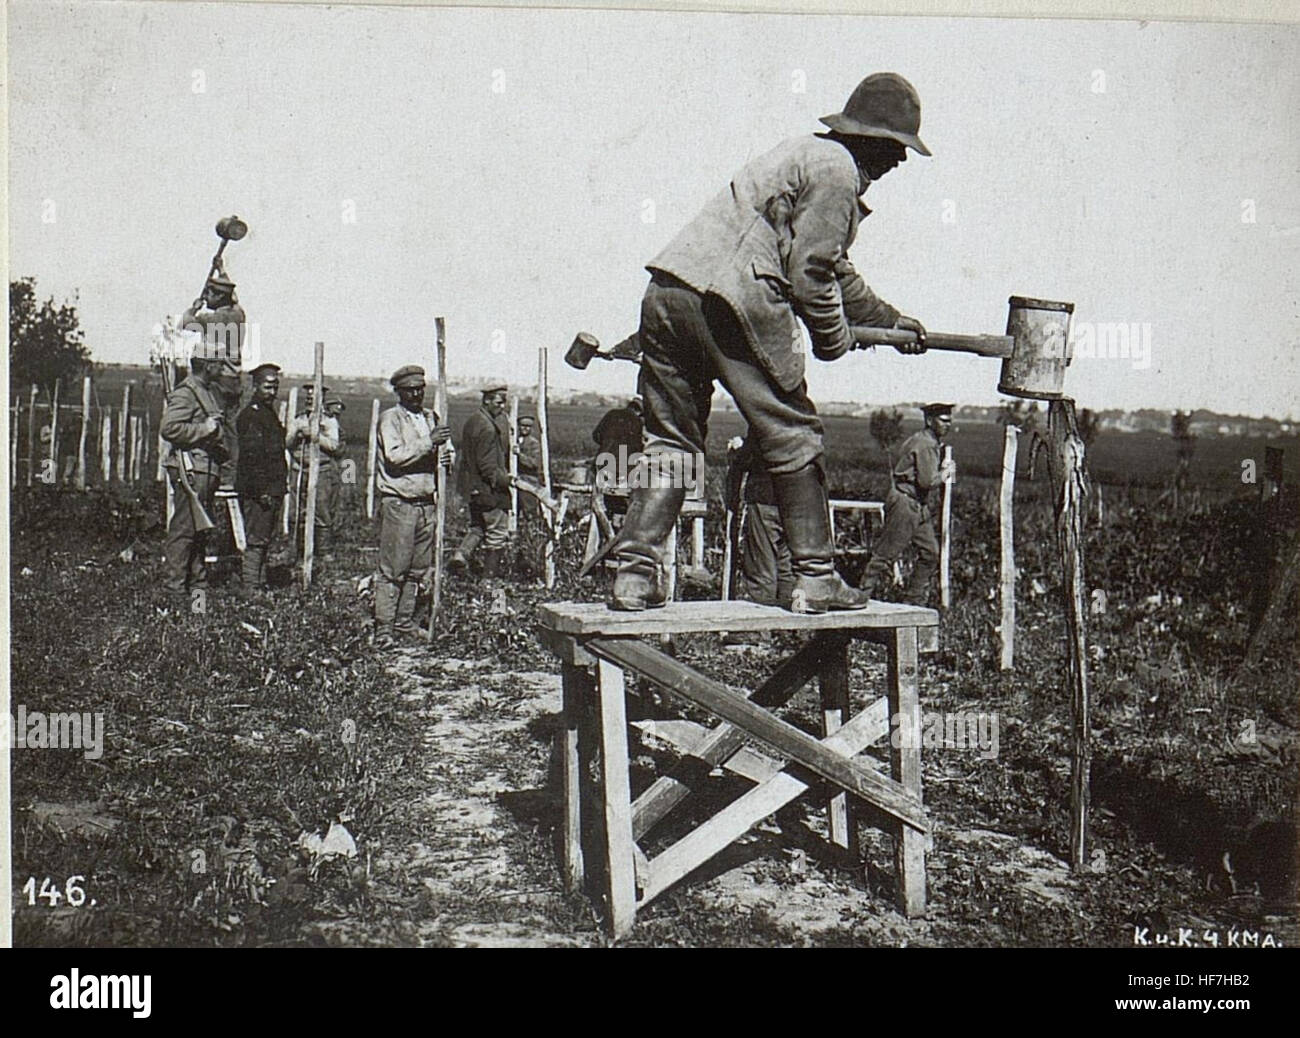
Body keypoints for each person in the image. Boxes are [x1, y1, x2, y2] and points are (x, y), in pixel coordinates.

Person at [604, 73, 931, 612]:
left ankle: (634, 574)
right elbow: (811, 272)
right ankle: (816, 576)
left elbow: (833, 268)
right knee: (794, 434)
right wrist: (832, 338)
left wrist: (891, 322)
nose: (898, 163)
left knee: (669, 441)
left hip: (668, 292)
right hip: (736, 301)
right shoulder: (840, 174)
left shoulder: (802, 154)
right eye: (897, 148)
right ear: (870, 139)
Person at [374, 365, 453, 645]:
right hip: (400, 503)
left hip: (426, 504)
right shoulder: (391, 419)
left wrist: (446, 458)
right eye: (410, 390)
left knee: (417, 569)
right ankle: (384, 627)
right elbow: (395, 457)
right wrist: (428, 443)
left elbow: (448, 449)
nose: (416, 394)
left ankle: (404, 622)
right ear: (399, 392)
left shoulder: (432, 417)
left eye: (420, 389)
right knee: (393, 568)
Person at [857, 402, 955, 605]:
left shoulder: (929, 441)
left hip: (918, 506)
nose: (948, 424)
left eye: (949, 420)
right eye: (943, 420)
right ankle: (859, 598)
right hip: (905, 503)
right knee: (885, 555)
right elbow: (927, 481)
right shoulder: (925, 444)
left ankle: (912, 601)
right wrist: (945, 474)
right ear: (930, 421)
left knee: (930, 552)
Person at [160, 356, 230, 597]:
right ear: (208, 365)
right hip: (191, 469)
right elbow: (169, 428)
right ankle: (175, 593)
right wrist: (205, 429)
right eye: (219, 364)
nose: (223, 369)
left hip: (206, 469)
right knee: (184, 531)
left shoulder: (206, 391)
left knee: (199, 531)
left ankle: (197, 592)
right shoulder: (187, 393)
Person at [182, 267, 246, 488]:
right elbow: (234, 298)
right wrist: (222, 269)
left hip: (218, 379)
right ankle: (231, 474)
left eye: (210, 293)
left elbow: (185, 323)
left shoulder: (214, 319)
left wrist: (194, 307)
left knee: (213, 424)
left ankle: (218, 472)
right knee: (231, 428)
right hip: (234, 379)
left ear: (218, 296)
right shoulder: (238, 314)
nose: (207, 297)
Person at [449, 385, 513, 579]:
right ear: (487, 400)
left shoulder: (473, 420)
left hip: (472, 487)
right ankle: (489, 580)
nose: (502, 406)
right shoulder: (487, 427)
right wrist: (505, 480)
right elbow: (487, 465)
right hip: (488, 490)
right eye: (499, 402)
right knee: (498, 533)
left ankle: (461, 555)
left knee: (478, 526)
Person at [235, 363, 287, 590]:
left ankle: (260, 581)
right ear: (255, 386)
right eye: (267, 387)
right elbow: (252, 459)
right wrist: (261, 491)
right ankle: (250, 587)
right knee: (256, 539)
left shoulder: (268, 414)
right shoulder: (252, 416)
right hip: (259, 490)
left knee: (265, 537)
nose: (272, 392)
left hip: (272, 488)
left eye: (275, 387)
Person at [726, 435, 793, 608]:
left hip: (765, 498)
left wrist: (738, 449)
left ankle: (759, 629)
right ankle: (793, 625)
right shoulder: (800, 419)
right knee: (787, 565)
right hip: (797, 501)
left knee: (761, 567)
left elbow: (749, 458)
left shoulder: (765, 419)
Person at [285, 383, 344, 557]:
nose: (310, 402)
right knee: (296, 510)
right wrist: (296, 434)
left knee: (321, 509)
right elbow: (287, 443)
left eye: (314, 398)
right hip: (299, 469)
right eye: (308, 398)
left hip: (321, 470)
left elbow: (334, 446)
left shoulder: (329, 421)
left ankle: (323, 550)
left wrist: (315, 434)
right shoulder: (298, 419)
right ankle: (295, 548)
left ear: (322, 400)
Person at [515, 414, 541, 480]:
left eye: (528, 426)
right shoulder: (514, 441)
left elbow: (534, 463)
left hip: (529, 477)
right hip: (515, 474)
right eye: (523, 425)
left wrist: (520, 455)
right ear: (519, 426)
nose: (525, 428)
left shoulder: (534, 443)